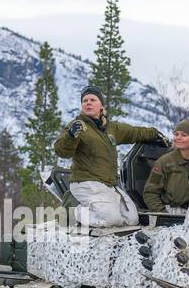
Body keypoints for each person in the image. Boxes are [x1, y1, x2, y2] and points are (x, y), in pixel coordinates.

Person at [53, 86, 163, 227]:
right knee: (111, 220)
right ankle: (72, 211)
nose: (88, 102)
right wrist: (71, 136)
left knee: (132, 219)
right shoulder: (77, 126)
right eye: (85, 100)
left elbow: (134, 132)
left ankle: (98, 212)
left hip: (108, 185)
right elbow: (62, 151)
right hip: (86, 183)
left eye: (92, 99)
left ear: (101, 106)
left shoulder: (111, 128)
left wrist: (154, 133)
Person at [143, 118, 189, 213]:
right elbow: (150, 193)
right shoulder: (164, 162)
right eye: (176, 134)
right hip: (170, 211)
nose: (178, 138)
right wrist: (162, 213)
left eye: (184, 135)